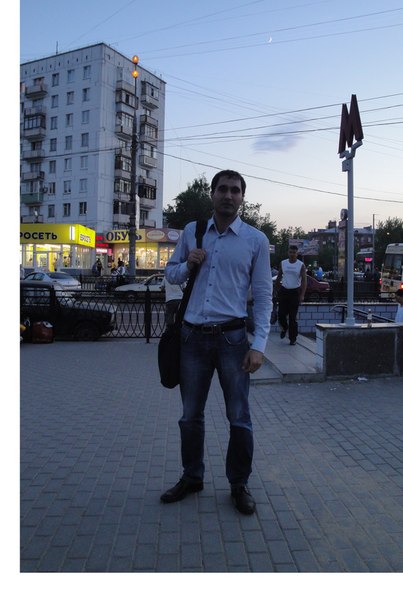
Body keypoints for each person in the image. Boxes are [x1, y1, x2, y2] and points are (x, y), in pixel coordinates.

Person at [160, 169, 272, 516]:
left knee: (239, 416)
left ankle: (239, 484)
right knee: (190, 416)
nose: (228, 195)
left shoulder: (255, 240)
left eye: (235, 190)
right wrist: (187, 265)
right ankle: (192, 477)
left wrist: (259, 345)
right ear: (212, 194)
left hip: (232, 339)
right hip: (192, 337)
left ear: (242, 198)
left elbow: (264, 295)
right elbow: (170, 272)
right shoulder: (192, 232)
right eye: (222, 189)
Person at [275, 245, 307, 345]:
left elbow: (304, 281)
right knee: (281, 314)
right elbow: (279, 277)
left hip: (295, 292)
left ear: (297, 254)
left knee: (293, 317)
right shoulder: (283, 263)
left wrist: (302, 295)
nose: (292, 254)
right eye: (290, 252)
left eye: (294, 252)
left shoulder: (300, 265)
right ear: (288, 253)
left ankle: (293, 338)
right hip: (284, 291)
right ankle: (284, 328)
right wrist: (276, 290)